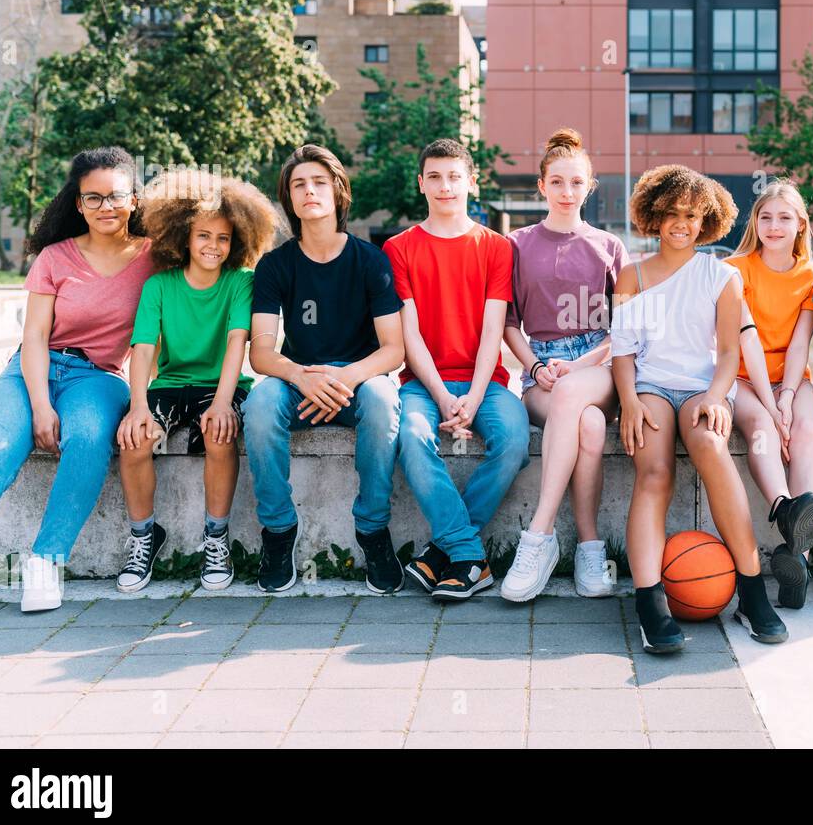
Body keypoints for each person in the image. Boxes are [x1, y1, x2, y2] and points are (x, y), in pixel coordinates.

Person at [0, 146, 154, 612]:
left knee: (88, 439)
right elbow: (34, 337)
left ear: (134, 200)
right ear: (78, 204)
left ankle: (45, 564)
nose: (105, 207)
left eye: (115, 196)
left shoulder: (155, 259)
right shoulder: (54, 257)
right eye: (93, 198)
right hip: (32, 368)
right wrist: (42, 406)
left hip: (99, 377)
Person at [612, 165, 787, 653]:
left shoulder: (721, 276)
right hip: (649, 387)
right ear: (653, 216)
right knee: (653, 473)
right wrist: (627, 399)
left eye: (690, 214)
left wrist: (715, 395)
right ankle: (649, 601)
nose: (679, 223)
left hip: (700, 388)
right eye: (669, 214)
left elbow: (729, 353)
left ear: (706, 219)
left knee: (712, 445)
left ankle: (752, 591)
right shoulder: (634, 275)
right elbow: (623, 352)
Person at [244, 144, 405, 595]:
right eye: (298, 185)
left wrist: (344, 378)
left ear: (338, 191)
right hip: (300, 379)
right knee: (259, 404)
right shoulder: (275, 265)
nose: (309, 191)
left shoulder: (371, 260)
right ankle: (278, 533)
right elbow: (261, 353)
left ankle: (372, 531)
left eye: (318, 182)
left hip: (358, 381)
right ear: (289, 200)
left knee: (381, 399)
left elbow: (393, 350)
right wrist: (300, 377)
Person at [114, 170, 279, 593]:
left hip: (221, 385)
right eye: (204, 236)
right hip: (169, 384)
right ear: (184, 237)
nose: (213, 246)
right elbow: (144, 350)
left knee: (218, 433)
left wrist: (223, 404)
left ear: (237, 240)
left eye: (223, 238)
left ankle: (216, 538)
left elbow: (236, 344)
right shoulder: (159, 286)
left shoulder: (241, 282)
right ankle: (143, 536)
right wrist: (137, 407)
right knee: (134, 439)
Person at [386, 138, 531, 601]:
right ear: (421, 184)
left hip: (485, 382)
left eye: (454, 176)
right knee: (410, 436)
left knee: (513, 439)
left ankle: (441, 551)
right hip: (422, 382)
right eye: (434, 177)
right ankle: (469, 556)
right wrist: (444, 395)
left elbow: (494, 333)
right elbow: (411, 337)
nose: (445, 186)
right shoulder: (399, 247)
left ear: (472, 181)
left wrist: (472, 392)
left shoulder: (496, 247)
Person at [499, 128, 628, 602]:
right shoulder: (515, 244)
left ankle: (539, 535)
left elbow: (624, 328)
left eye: (577, 183)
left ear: (589, 187)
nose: (567, 192)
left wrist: (585, 363)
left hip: (597, 362)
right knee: (589, 426)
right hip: (542, 362)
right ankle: (590, 547)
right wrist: (535, 368)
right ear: (542, 186)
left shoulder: (609, 246)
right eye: (557, 182)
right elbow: (508, 323)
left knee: (580, 398)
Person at [724, 180, 813, 609]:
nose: (773, 225)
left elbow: (802, 340)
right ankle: (784, 508)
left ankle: (798, 559)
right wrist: (771, 404)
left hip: (792, 378)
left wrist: (787, 396)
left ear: (801, 224)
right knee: (765, 429)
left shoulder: (812, 275)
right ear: (756, 223)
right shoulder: (736, 268)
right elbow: (744, 340)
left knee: (803, 428)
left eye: (784, 217)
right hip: (743, 377)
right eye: (765, 217)